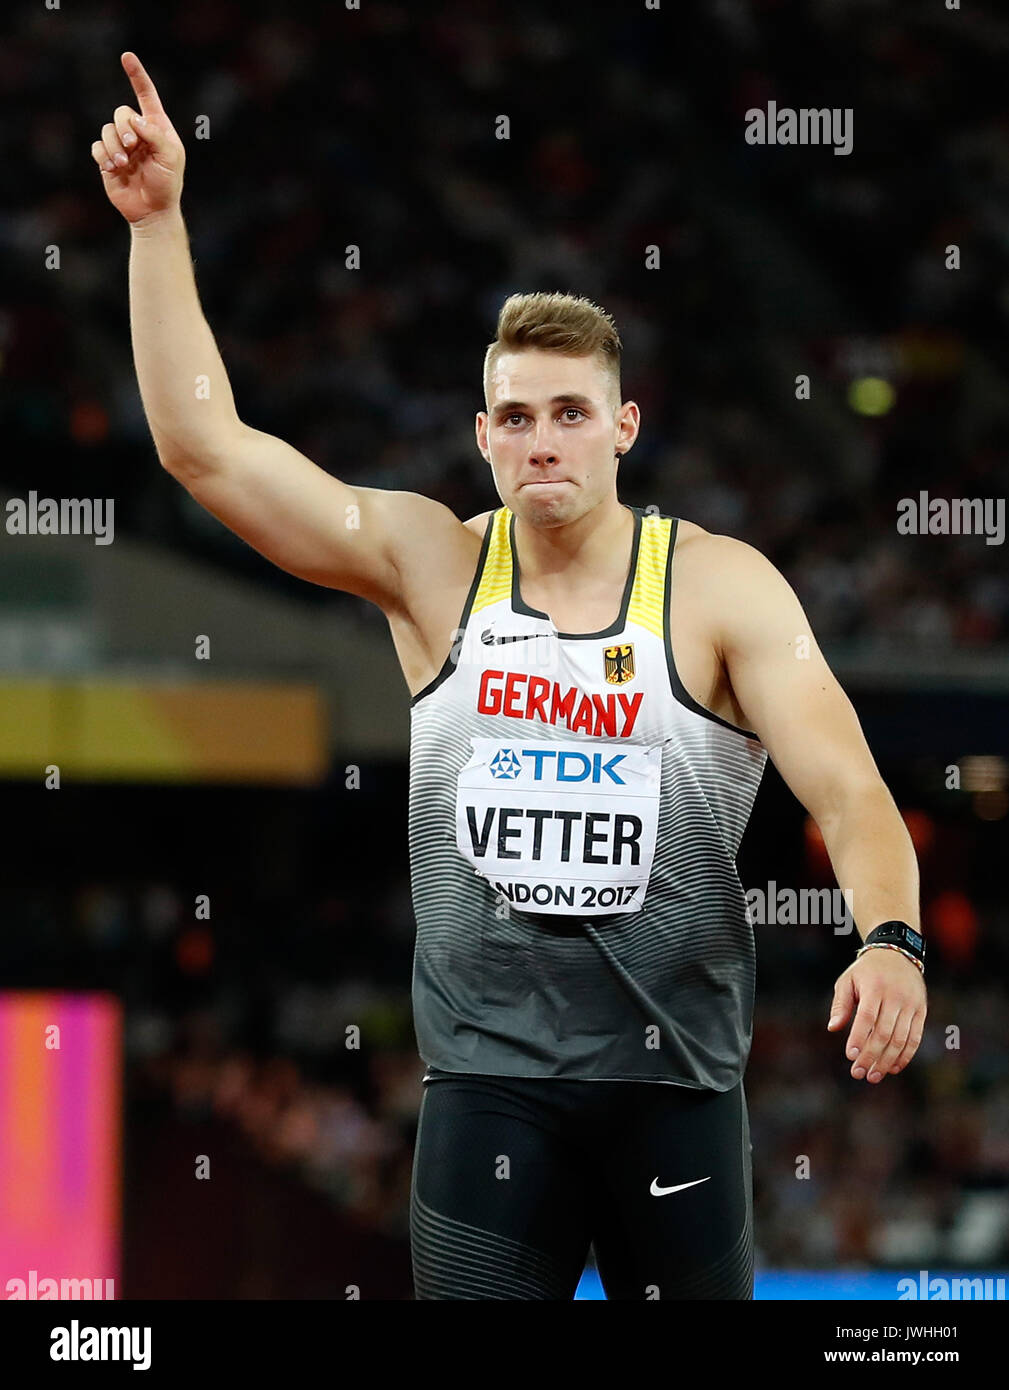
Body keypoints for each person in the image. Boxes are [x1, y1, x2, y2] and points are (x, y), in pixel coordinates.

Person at [95, 51, 928, 1300]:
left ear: (624, 427)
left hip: (673, 1089)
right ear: (483, 434)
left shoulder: (717, 589)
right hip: (488, 1090)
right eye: (520, 417)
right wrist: (158, 227)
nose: (545, 441)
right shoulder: (435, 568)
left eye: (571, 413)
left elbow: (854, 795)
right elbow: (204, 450)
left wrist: (894, 942)